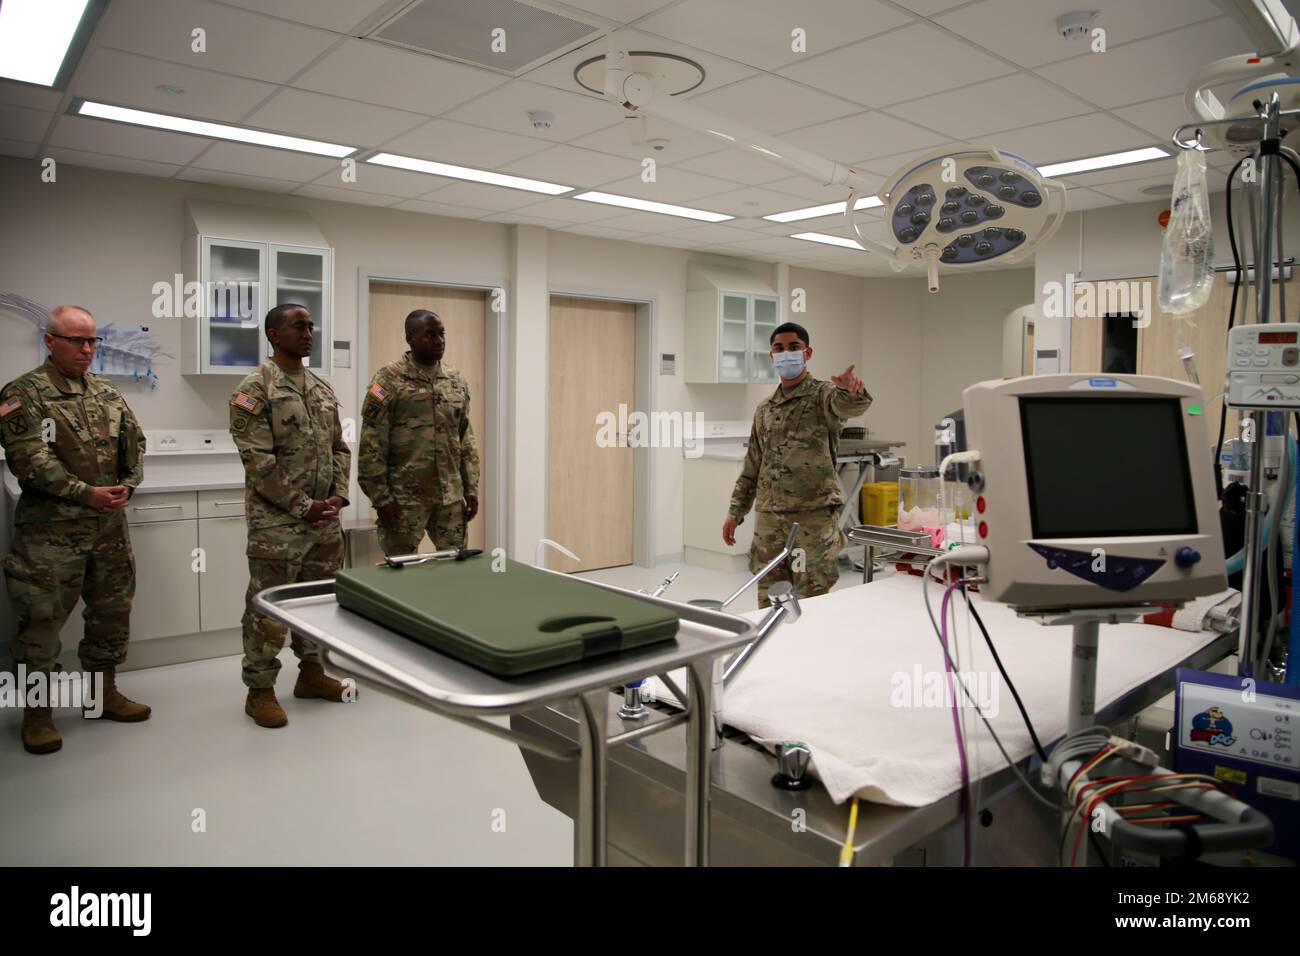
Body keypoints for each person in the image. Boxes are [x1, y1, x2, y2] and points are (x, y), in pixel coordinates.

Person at [1, 305, 150, 754]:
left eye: (92, 341)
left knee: (110, 616)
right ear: (50, 341)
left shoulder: (106, 391)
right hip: (50, 534)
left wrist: (127, 483)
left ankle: (101, 696)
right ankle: (37, 715)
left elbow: (134, 443)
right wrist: (85, 493)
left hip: (108, 530)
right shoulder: (22, 394)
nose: (86, 350)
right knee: (40, 624)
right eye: (76, 340)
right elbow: (30, 460)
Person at [228, 303, 352, 728]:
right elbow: (259, 463)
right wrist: (304, 506)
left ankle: (313, 674)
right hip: (278, 526)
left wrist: (337, 496)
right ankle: (259, 690)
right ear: (273, 335)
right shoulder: (254, 389)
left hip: (324, 523)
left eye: (311, 326)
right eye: (299, 326)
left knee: (320, 603)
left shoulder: (320, 387)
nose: (309, 333)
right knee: (268, 607)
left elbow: (340, 447)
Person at [724, 321, 873, 607]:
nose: (786, 353)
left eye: (794, 347)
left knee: (811, 599)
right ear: (771, 355)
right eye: (779, 348)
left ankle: (811, 652)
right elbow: (753, 466)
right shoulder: (765, 409)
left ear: (808, 353)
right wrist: (735, 512)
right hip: (769, 519)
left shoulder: (822, 395)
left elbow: (847, 405)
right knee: (769, 598)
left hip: (811, 519)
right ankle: (773, 651)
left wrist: (851, 392)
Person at [358, 309, 480, 556]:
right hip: (404, 499)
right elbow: (372, 444)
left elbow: (465, 437)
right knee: (401, 572)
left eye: (442, 334)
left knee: (455, 568)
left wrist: (471, 486)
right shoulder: (388, 381)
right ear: (410, 338)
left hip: (450, 496)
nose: (439, 340)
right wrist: (380, 497)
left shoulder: (455, 380)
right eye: (429, 335)